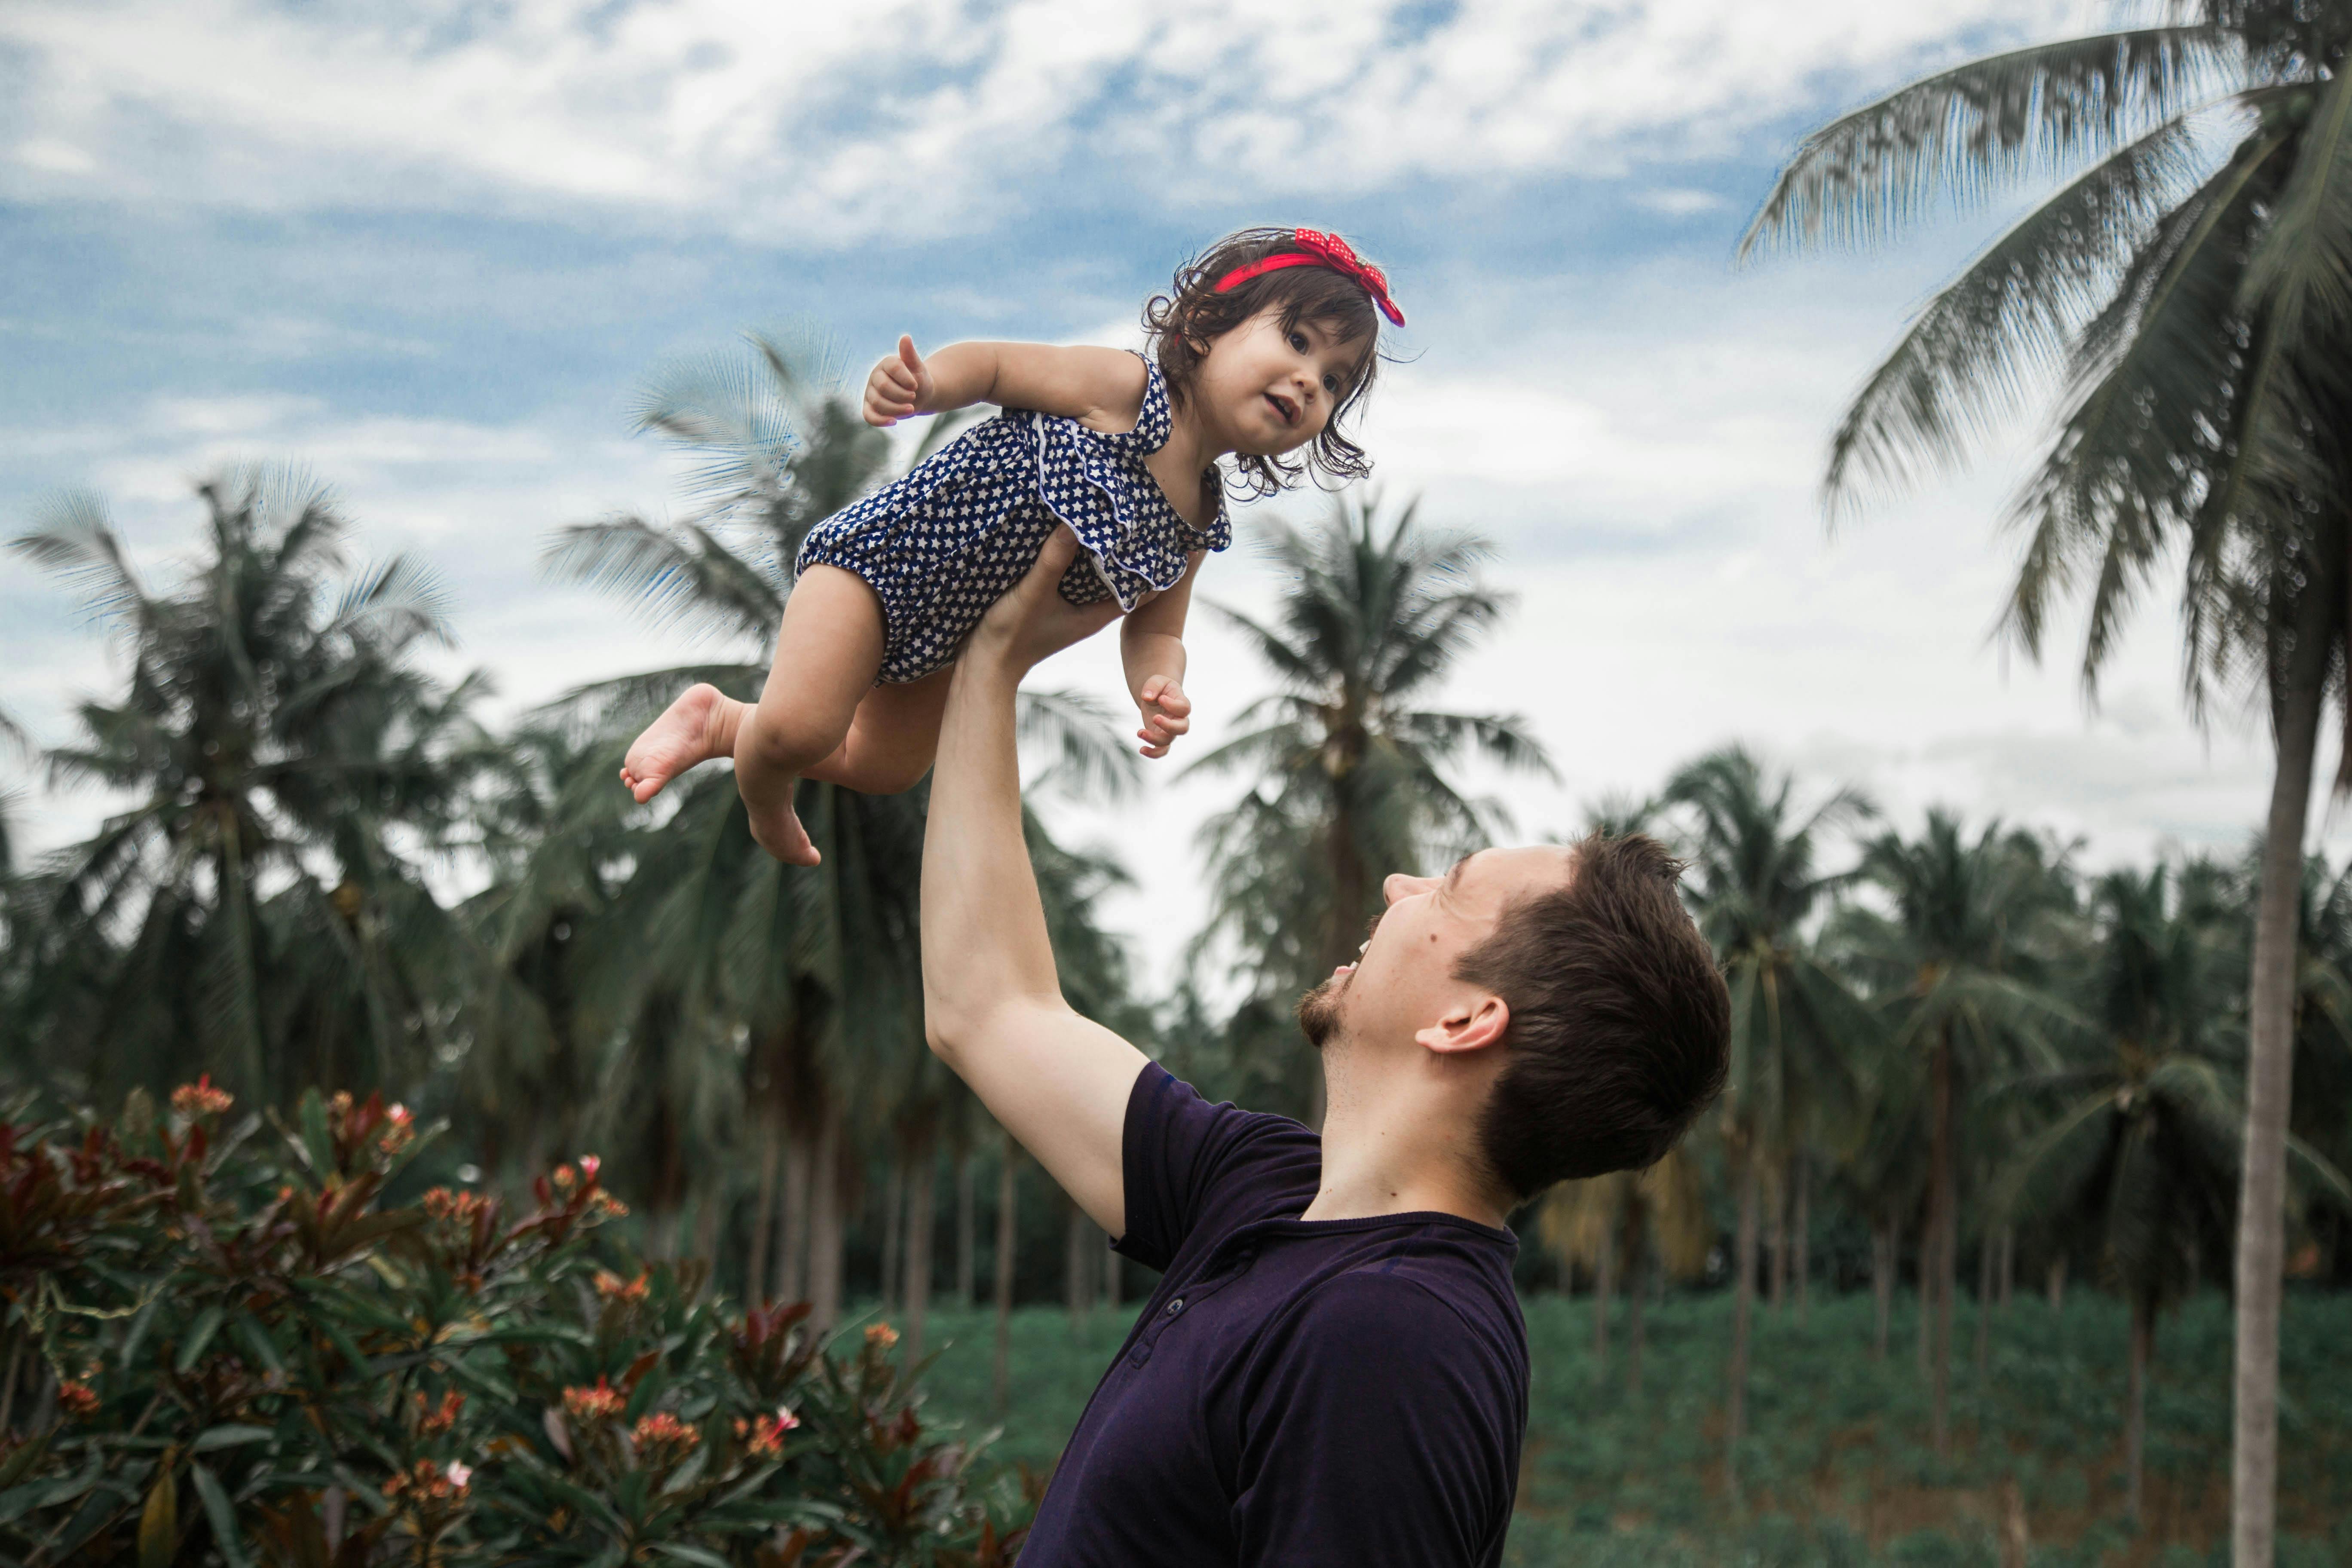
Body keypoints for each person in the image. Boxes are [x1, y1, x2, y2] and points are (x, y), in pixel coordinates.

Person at [922, 532, 1733, 1567]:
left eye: (1445, 891)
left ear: (1465, 1022)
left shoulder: (1395, 1344)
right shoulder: (1268, 1193)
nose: (1398, 888)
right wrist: (992, 664)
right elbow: (987, 1006)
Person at [612, 225, 1405, 864]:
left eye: (1335, 381)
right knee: (800, 732)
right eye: (1297, 341)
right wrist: (927, 388)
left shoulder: (1199, 518)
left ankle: (727, 727)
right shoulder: (1126, 391)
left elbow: (1157, 627)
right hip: (881, 566)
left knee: (887, 768)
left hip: (948, 644)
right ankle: (751, 771)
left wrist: (1158, 685)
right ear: (1208, 328)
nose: (1310, 382)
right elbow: (996, 367)